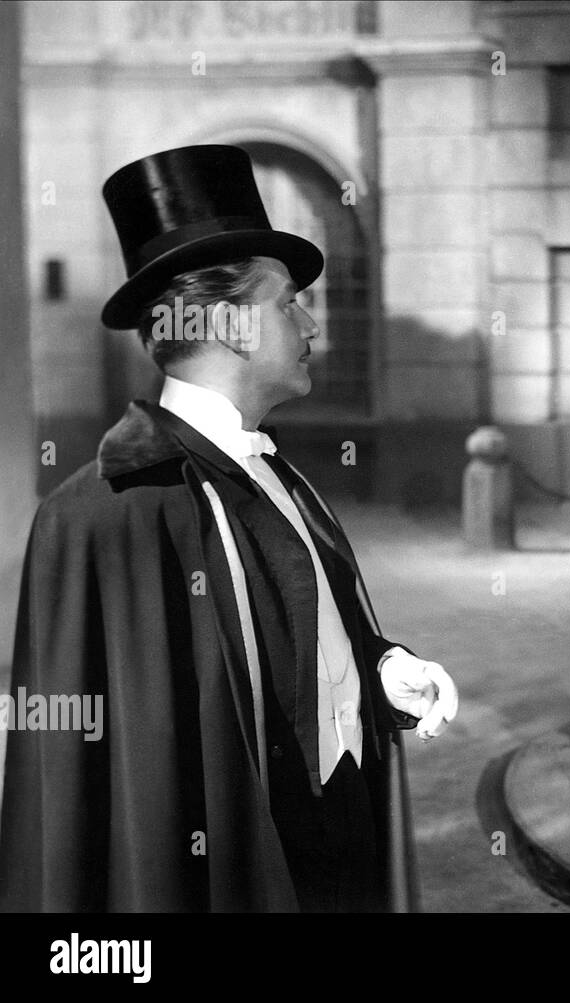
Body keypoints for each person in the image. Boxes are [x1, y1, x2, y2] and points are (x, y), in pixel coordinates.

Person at [0, 145, 457, 911]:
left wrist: (377, 674)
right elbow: (76, 809)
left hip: (340, 859)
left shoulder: (283, 475)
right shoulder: (103, 517)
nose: (309, 321)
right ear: (231, 324)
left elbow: (292, 642)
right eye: (287, 303)